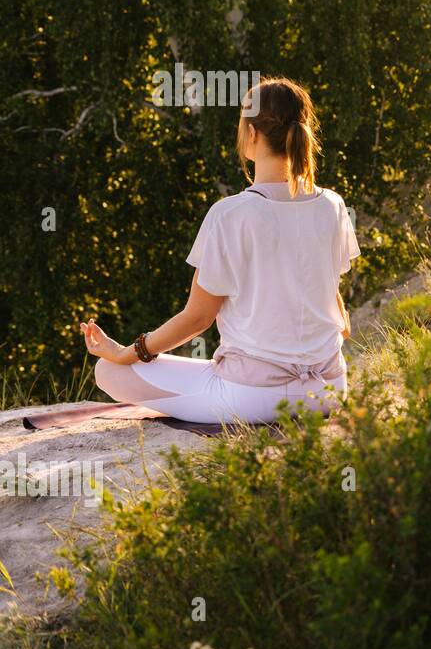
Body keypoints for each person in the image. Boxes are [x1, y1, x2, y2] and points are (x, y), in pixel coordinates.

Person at [80, 77, 359, 425]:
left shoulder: (229, 214)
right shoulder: (333, 205)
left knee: (108, 371)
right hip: (330, 389)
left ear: (253, 134)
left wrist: (127, 352)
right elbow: (336, 309)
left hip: (254, 399)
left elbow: (198, 317)